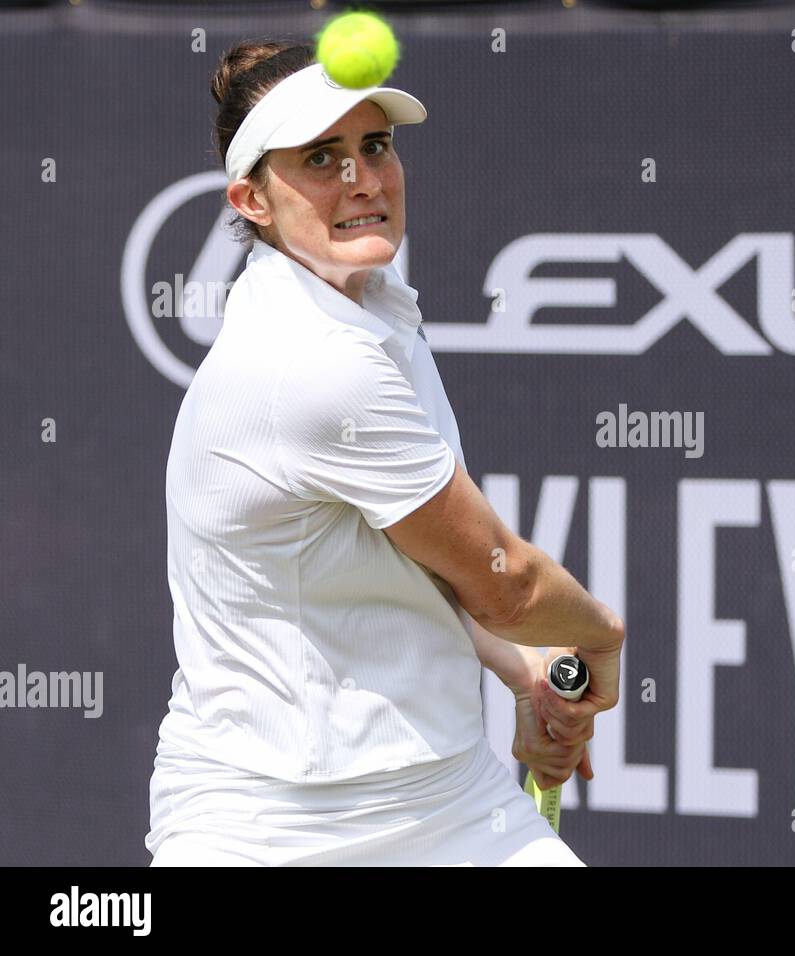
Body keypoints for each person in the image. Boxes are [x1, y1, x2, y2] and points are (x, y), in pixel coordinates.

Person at [145, 40, 624, 866]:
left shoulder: (374, 310)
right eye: (320, 158)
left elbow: (411, 561)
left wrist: (526, 670)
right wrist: (603, 638)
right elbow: (505, 583)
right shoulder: (316, 362)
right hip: (265, 829)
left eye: (375, 146)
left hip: (449, 800)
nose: (362, 178)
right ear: (252, 199)